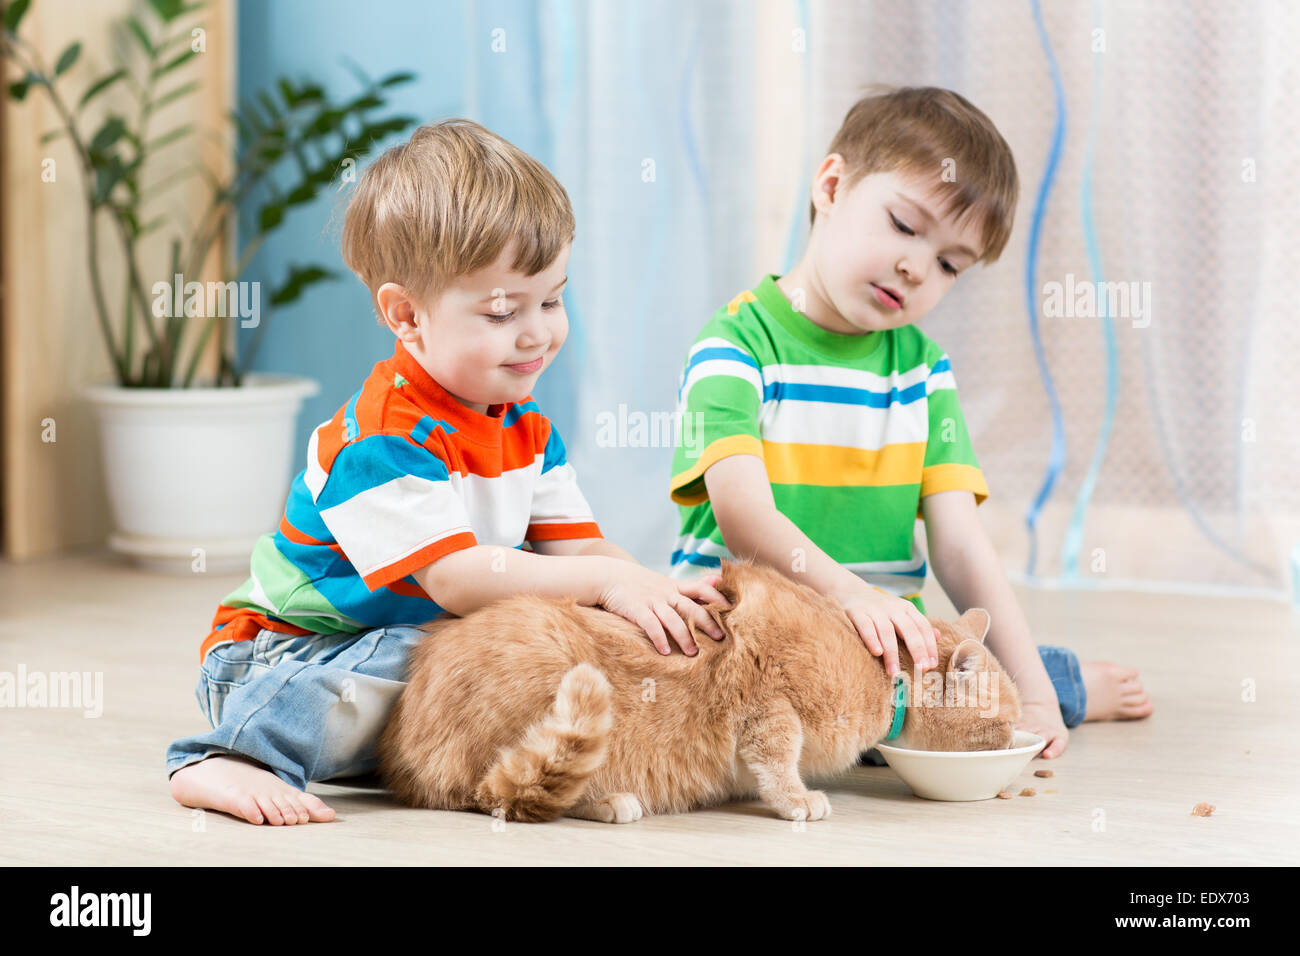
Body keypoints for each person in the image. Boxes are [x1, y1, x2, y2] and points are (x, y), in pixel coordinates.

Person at [167, 119, 727, 825]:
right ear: (406, 315)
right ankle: (228, 756)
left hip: (431, 657)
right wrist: (605, 584)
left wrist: (646, 591)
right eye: (502, 312)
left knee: (553, 637)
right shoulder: (375, 439)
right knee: (426, 647)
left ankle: (517, 770)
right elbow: (458, 579)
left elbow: (580, 551)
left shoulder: (525, 429)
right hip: (286, 662)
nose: (537, 332)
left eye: (551, 301)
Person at [667, 86, 1153, 762]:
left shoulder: (924, 372)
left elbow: (958, 545)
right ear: (832, 186)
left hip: (882, 660)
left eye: (950, 263)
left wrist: (1036, 701)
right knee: (682, 709)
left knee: (966, 695)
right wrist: (852, 595)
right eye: (904, 225)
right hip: (748, 643)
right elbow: (743, 514)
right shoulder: (735, 344)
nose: (917, 267)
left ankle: (1053, 683)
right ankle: (1063, 679)